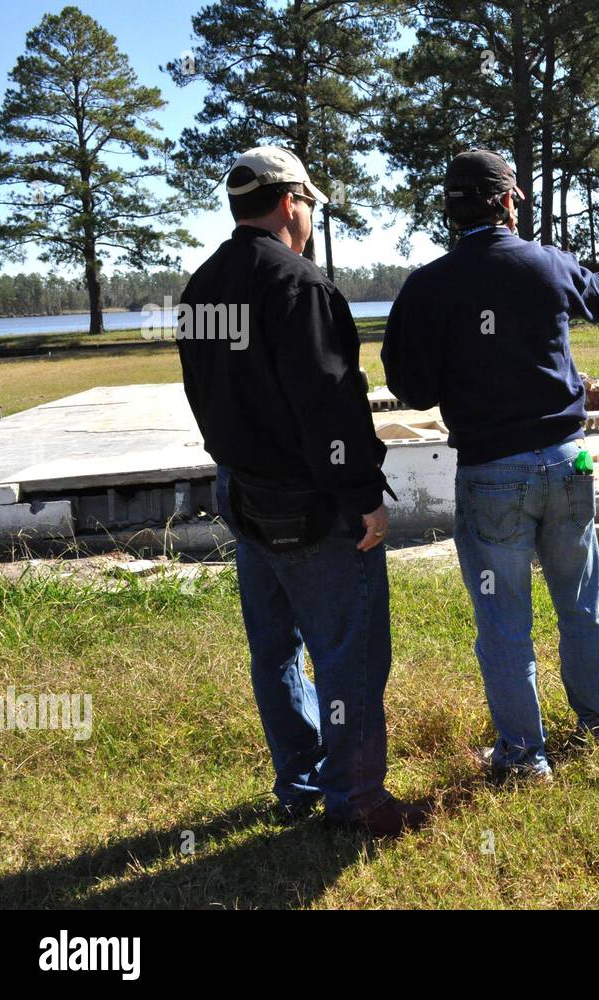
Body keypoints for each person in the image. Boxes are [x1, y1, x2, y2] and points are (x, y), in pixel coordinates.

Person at [383, 149, 599, 781]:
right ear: (508, 202)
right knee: (580, 600)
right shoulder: (544, 264)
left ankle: (524, 757)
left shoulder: (429, 285)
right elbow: (598, 291)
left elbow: (410, 385)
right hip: (568, 460)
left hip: (489, 473)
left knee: (504, 620)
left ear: (450, 211)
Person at [177, 146, 424, 836]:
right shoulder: (299, 285)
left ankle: (301, 782)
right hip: (309, 501)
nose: (311, 216)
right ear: (291, 203)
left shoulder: (201, 287)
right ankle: (358, 800)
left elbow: (202, 393)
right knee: (349, 650)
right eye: (311, 205)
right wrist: (363, 495)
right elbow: (331, 409)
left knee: (275, 644)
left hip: (241, 489)